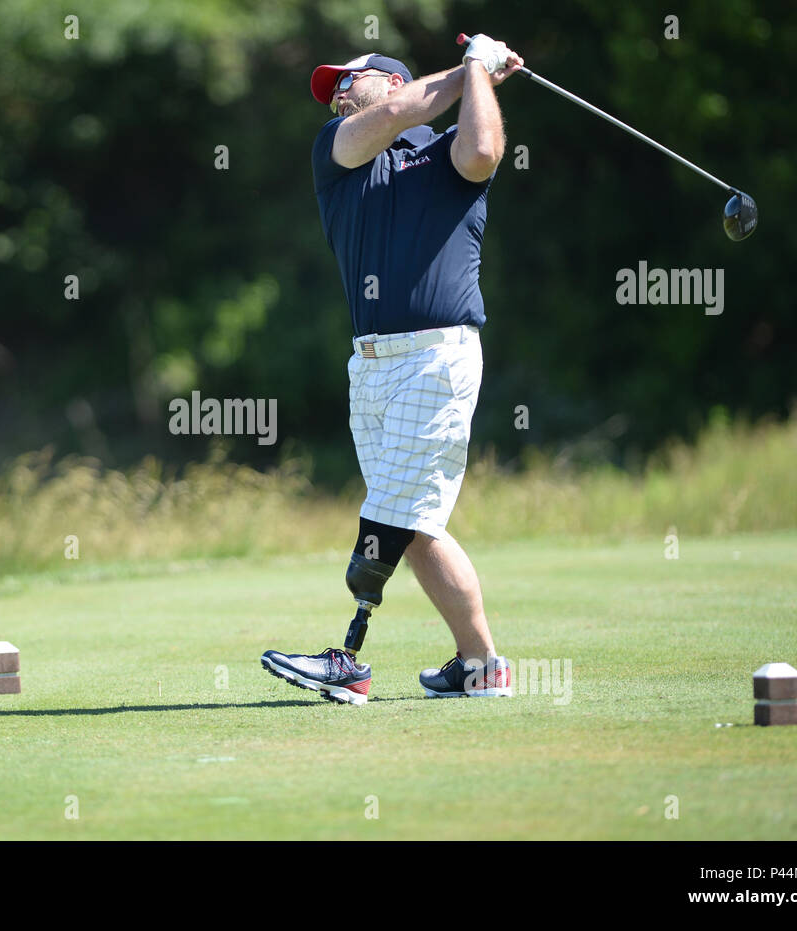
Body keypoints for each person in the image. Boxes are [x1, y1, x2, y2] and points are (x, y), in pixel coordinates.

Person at [260, 36, 524, 705]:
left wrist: (477, 74)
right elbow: (401, 111)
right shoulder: (339, 154)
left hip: (436, 356)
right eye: (332, 89)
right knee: (413, 526)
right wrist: (475, 66)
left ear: (392, 77)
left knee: (388, 515)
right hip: (370, 367)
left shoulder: (446, 155)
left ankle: (348, 658)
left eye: (350, 80)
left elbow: (485, 150)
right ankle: (481, 663)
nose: (338, 93)